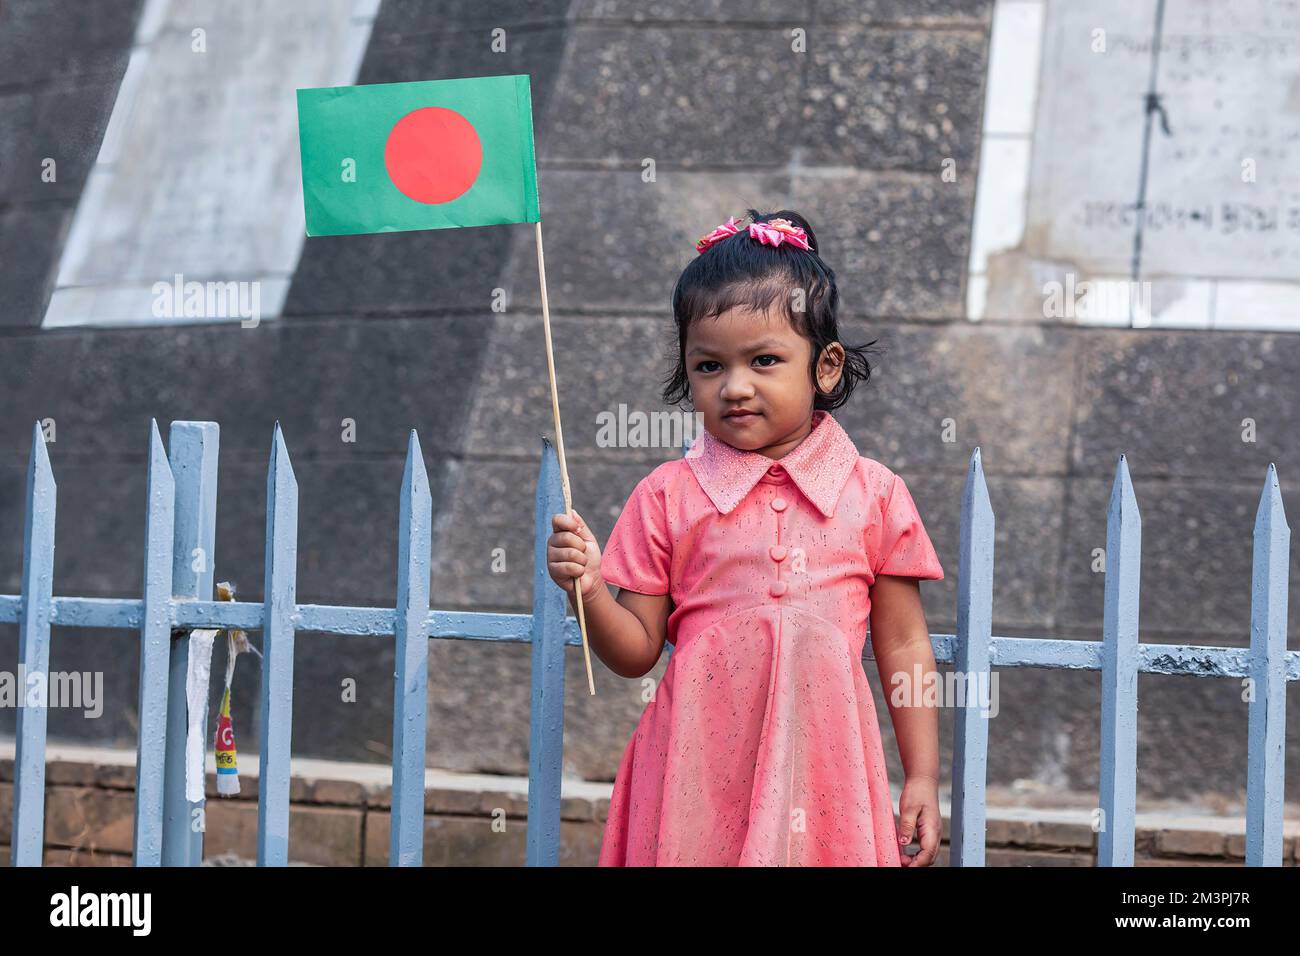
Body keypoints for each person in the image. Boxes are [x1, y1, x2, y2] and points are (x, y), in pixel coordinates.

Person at [547, 208, 945, 866]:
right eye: (708, 366)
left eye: (764, 360)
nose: (735, 386)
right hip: (693, 781)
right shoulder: (666, 496)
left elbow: (903, 644)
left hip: (825, 781)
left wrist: (923, 777)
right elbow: (635, 652)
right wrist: (586, 588)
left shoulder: (873, 494)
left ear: (825, 367)